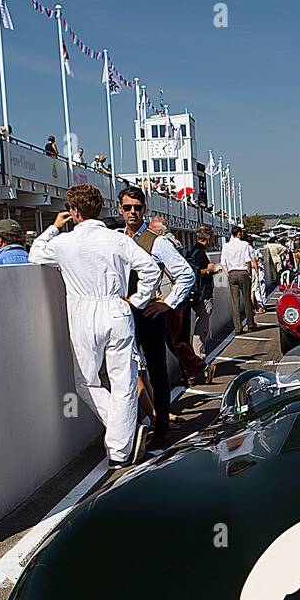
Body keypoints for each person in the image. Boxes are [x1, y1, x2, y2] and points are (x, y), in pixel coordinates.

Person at [28, 183, 160, 467]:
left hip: (83, 314)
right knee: (123, 381)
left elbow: (35, 254)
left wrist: (53, 227)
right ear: (100, 208)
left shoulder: (63, 243)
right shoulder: (117, 240)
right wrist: (137, 300)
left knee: (86, 382)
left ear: (73, 211)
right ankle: (120, 448)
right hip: (116, 309)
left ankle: (119, 437)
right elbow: (151, 269)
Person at [119, 185, 195, 449]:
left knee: (157, 371)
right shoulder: (115, 240)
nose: (132, 212)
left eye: (137, 208)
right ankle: (131, 429)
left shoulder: (157, 241)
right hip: (121, 315)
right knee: (125, 371)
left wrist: (167, 304)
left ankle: (161, 427)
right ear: (120, 209)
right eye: (127, 207)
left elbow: (186, 274)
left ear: (144, 210)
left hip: (149, 314)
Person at [148, 218, 206, 386]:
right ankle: (190, 372)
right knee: (177, 338)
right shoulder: (174, 243)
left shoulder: (165, 244)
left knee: (175, 339)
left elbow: (180, 273)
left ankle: (198, 368)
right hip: (176, 295)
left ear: (159, 231)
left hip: (172, 295)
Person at [220, 224, 259, 334]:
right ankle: (250, 324)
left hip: (232, 273)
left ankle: (238, 328)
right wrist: (249, 274)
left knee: (235, 302)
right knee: (246, 299)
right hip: (243, 273)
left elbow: (223, 263)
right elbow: (248, 261)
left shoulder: (226, 246)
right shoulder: (244, 244)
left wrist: (228, 274)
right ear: (238, 233)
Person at [187, 225, 218, 362]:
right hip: (202, 294)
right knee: (202, 328)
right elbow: (194, 273)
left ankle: (197, 358)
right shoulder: (198, 253)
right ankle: (199, 359)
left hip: (196, 294)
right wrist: (209, 270)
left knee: (201, 327)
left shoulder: (193, 250)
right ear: (209, 237)